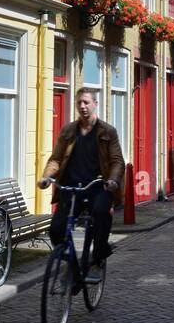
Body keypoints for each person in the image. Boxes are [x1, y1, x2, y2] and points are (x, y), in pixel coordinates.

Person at [39, 87, 125, 283]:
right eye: (79, 102)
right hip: (72, 188)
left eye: (86, 102)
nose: (83, 106)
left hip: (98, 186)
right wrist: (46, 177)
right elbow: (56, 158)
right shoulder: (68, 131)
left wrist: (112, 180)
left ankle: (98, 260)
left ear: (95, 104)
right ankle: (70, 262)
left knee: (102, 213)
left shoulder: (107, 131)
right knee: (56, 230)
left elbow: (117, 161)